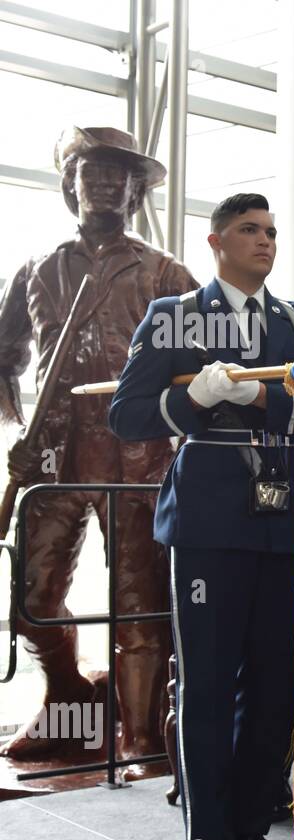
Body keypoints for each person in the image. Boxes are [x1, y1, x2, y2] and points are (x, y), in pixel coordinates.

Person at [109, 193, 294, 840]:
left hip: (280, 515)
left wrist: (259, 397)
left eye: (271, 231)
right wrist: (195, 401)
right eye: (249, 230)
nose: (265, 241)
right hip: (209, 517)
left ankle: (249, 825)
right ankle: (208, 831)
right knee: (207, 680)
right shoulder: (173, 319)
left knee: (275, 683)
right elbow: (127, 416)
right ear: (215, 242)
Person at [0, 126, 197, 767]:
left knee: (140, 604)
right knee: (32, 601)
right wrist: (16, 432)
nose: (106, 184)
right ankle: (72, 706)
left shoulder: (167, 274)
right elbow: (5, 354)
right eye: (93, 173)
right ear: (71, 184)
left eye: (120, 175)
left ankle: (141, 736)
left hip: (136, 458)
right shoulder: (38, 269)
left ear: (136, 191)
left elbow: (201, 368)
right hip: (55, 457)